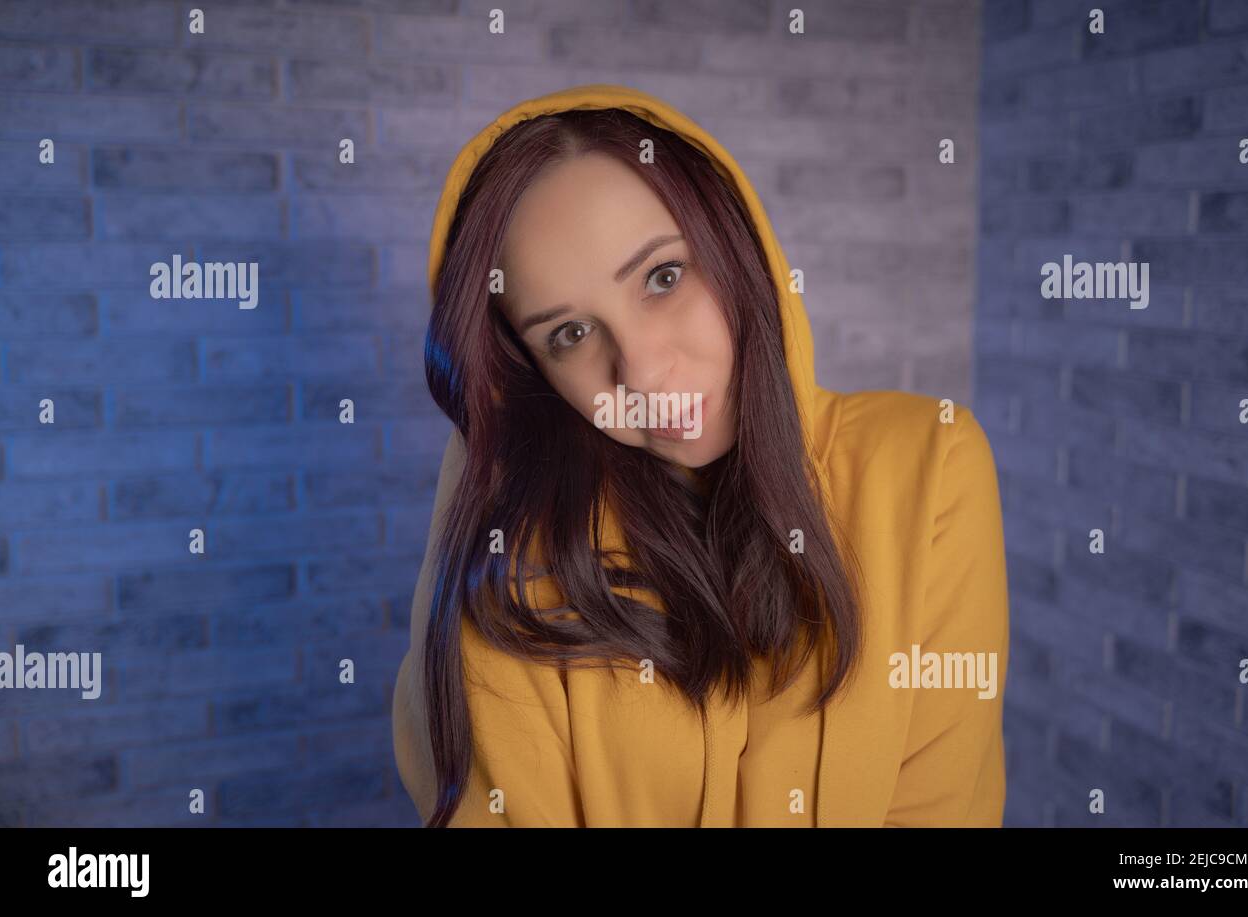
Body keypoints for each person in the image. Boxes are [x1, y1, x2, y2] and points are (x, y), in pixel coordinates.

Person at [392, 83, 1010, 828]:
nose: (644, 373)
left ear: (733, 245)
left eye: (662, 277)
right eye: (569, 334)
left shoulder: (928, 466)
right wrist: (483, 456)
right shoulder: (516, 567)